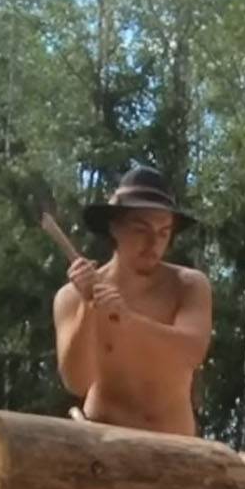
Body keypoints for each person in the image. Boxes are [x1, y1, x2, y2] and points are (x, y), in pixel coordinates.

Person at [53, 166, 212, 436]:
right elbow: (77, 382)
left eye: (163, 233)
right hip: (101, 443)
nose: (153, 243)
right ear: (115, 227)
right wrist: (88, 307)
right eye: (142, 230)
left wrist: (130, 321)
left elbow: (192, 352)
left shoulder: (188, 285)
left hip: (175, 447)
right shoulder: (71, 297)